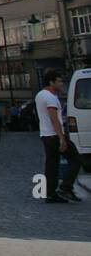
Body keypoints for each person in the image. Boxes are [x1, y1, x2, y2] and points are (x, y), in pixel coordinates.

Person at [36, 70, 81, 203]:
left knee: (52, 165)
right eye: (59, 81)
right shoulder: (50, 98)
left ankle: (50, 194)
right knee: (76, 160)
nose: (61, 83)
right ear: (51, 82)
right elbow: (53, 119)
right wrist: (62, 138)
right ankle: (66, 188)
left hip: (45, 135)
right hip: (55, 135)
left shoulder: (40, 95)